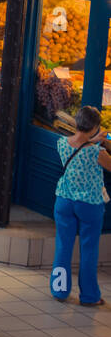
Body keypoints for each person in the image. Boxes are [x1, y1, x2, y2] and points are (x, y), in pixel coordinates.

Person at [51, 105, 111, 306]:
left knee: (63, 246)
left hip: (64, 202)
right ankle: (89, 296)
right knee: (88, 250)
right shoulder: (96, 152)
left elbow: (80, 146)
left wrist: (96, 140)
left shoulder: (61, 143)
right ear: (94, 127)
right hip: (89, 206)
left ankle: (59, 291)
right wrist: (106, 141)